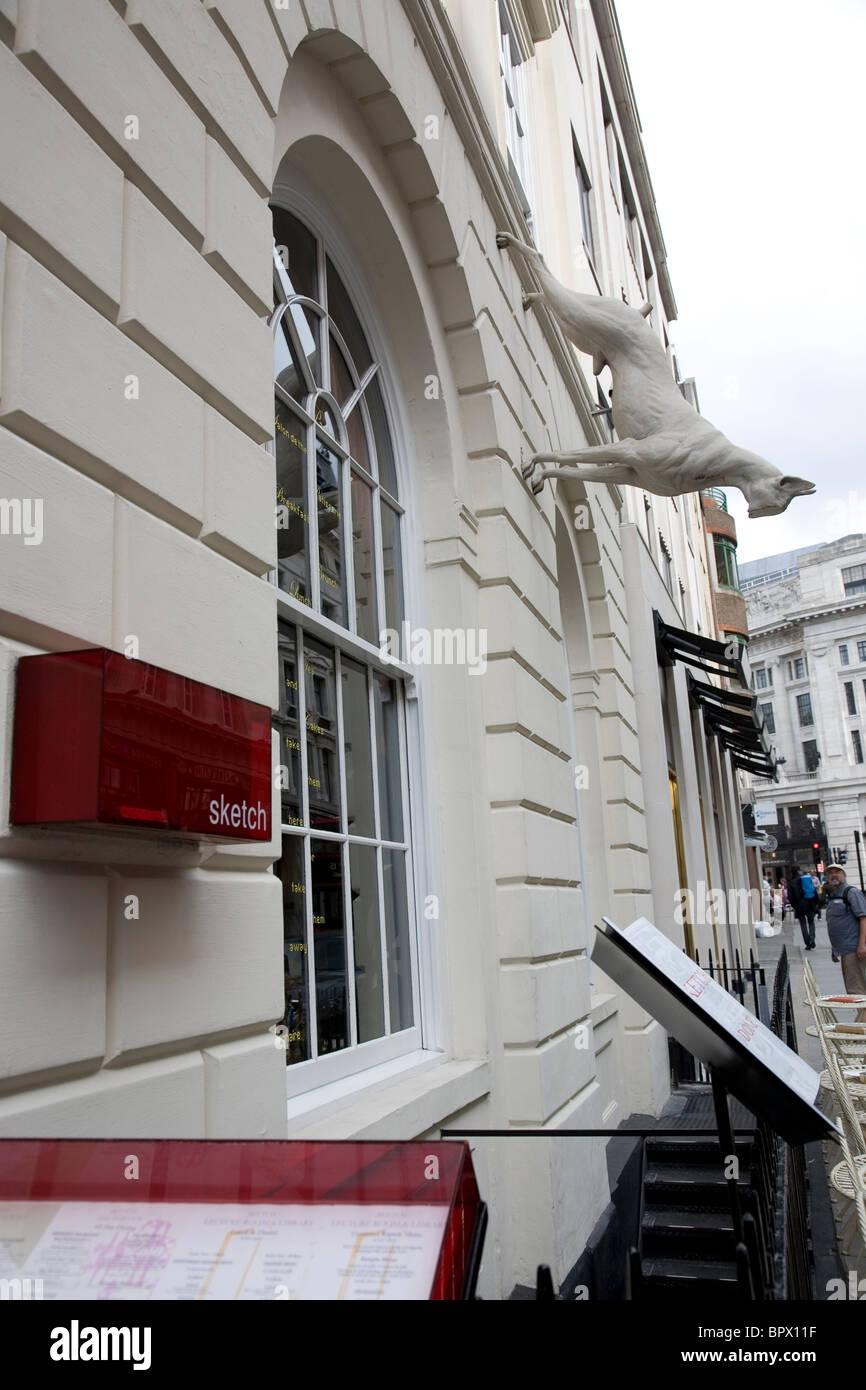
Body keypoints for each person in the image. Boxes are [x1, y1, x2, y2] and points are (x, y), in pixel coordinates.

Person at [823, 863, 866, 1022]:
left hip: (854, 950)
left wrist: (861, 945)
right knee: (856, 991)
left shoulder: (851, 893)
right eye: (830, 873)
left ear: (844, 875)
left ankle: (860, 1031)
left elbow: (864, 918)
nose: (834, 875)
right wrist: (835, 950)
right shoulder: (833, 896)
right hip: (845, 951)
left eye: (837, 872)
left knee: (857, 992)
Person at [787, 869, 815, 949]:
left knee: (803, 924)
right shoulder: (805, 880)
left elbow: (790, 897)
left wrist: (794, 906)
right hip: (809, 904)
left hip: (799, 906)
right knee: (811, 922)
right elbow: (813, 891)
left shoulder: (790, 883)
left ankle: (807, 943)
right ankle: (812, 939)